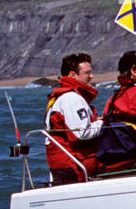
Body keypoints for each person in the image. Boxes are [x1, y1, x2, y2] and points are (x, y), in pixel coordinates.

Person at [44, 52, 103, 184]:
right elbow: (82, 132)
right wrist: (102, 124)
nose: (92, 76)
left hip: (68, 165)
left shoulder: (66, 97)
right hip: (73, 167)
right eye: (87, 73)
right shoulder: (71, 98)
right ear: (73, 75)